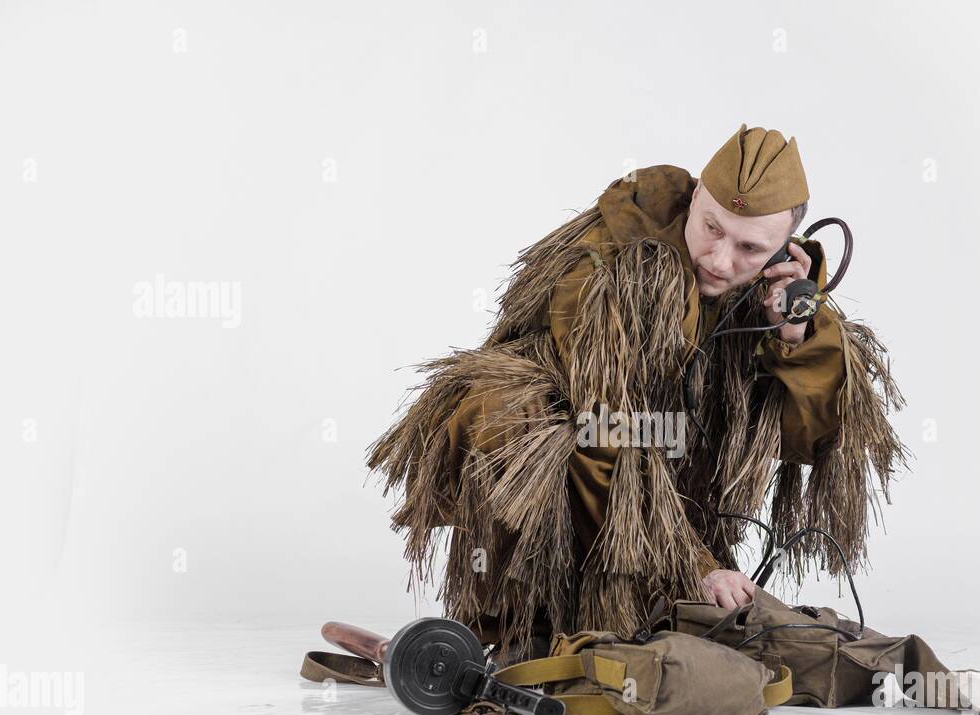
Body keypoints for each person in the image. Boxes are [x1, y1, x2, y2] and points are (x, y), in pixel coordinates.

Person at [367, 124, 907, 663]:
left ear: (783, 245)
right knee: (517, 417)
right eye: (712, 228)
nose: (720, 260)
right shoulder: (610, 272)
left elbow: (807, 445)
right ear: (696, 198)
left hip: (668, 494)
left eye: (749, 247)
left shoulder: (778, 290)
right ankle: (520, 625)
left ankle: (645, 615)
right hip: (573, 462)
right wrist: (694, 566)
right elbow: (605, 433)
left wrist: (794, 337)